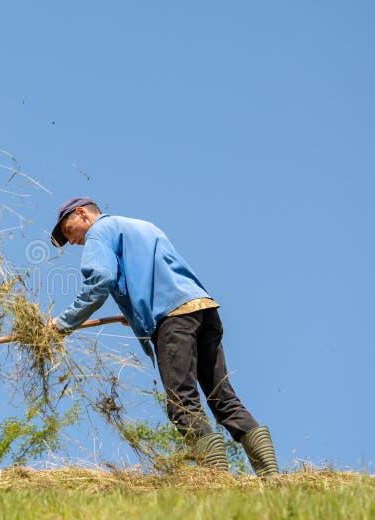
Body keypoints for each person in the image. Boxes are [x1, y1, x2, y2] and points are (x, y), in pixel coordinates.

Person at [48, 196, 278, 476]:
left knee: (182, 402)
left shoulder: (99, 233)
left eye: (69, 232)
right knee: (223, 399)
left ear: (82, 214)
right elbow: (157, 274)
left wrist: (63, 323)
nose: (71, 241)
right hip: (202, 309)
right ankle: (272, 477)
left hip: (173, 319)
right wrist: (134, 314)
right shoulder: (143, 226)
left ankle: (217, 480)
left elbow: (101, 281)